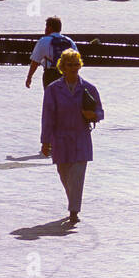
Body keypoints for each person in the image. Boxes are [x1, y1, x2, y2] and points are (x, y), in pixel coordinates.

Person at [40, 49, 103, 224]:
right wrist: (45, 141)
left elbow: (100, 112)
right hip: (60, 138)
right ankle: (73, 201)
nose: (74, 68)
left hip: (81, 137)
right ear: (62, 67)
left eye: (76, 64)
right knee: (64, 174)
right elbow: (47, 116)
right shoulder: (53, 89)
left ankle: (74, 211)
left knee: (77, 176)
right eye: (70, 64)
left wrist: (93, 115)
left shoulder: (88, 88)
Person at [26, 17, 78, 90]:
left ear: (49, 28)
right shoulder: (69, 41)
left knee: (50, 99)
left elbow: (35, 61)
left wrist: (29, 77)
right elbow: (77, 60)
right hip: (68, 74)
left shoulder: (44, 41)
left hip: (50, 74)